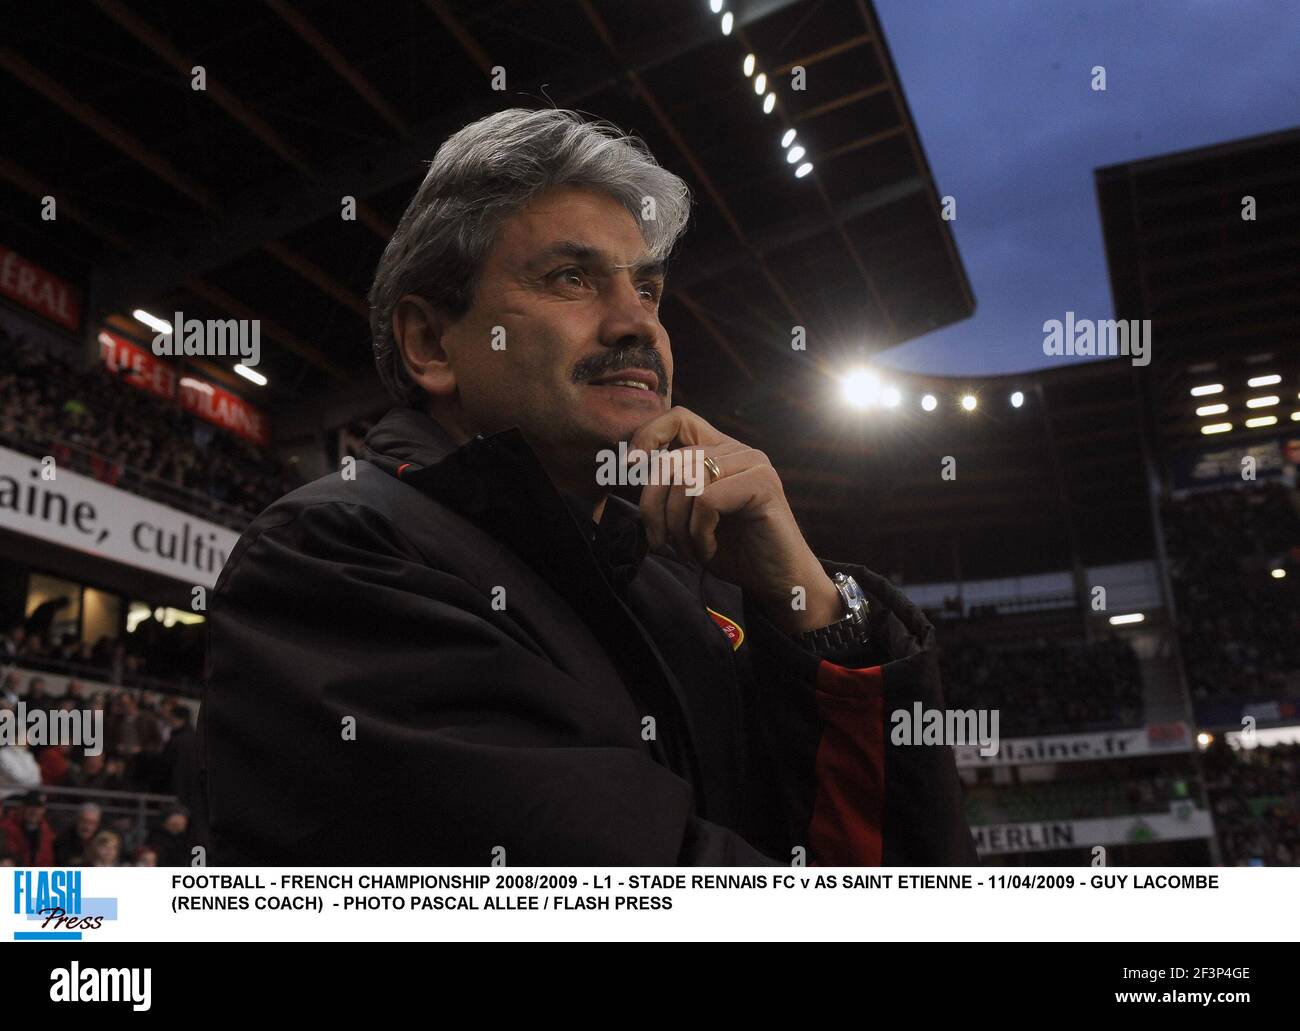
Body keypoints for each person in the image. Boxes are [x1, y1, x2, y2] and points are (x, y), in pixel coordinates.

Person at [202, 107, 975, 866]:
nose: (635, 324)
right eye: (571, 278)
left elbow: (905, 873)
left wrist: (816, 612)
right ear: (432, 342)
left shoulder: (696, 581)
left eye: (647, 290)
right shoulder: (333, 557)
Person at [0, 789, 56, 866]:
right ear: (23, 807)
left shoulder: (46, 831)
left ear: (44, 810)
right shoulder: (7, 826)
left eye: (39, 807)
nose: (35, 811)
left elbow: (47, 861)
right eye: (31, 806)